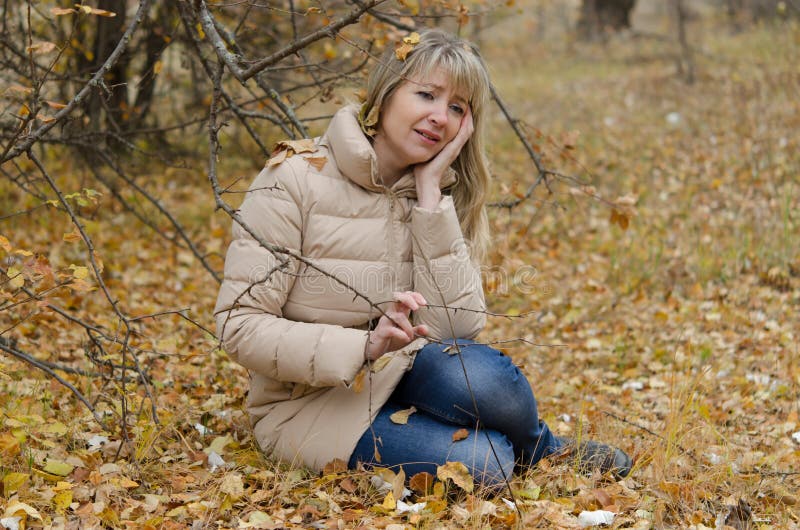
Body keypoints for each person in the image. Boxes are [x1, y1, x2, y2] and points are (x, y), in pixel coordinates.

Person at [214, 29, 631, 489]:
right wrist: (364, 347)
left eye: (457, 107)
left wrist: (430, 198)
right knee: (483, 466)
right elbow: (239, 323)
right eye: (427, 95)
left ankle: (540, 448)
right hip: (309, 404)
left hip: (403, 374)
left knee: (489, 379)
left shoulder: (438, 193)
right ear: (387, 93)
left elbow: (460, 329)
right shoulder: (294, 178)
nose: (439, 117)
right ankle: (514, 451)